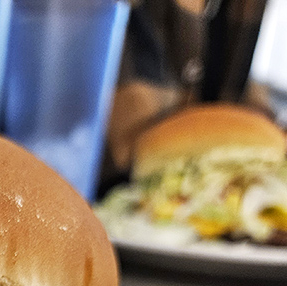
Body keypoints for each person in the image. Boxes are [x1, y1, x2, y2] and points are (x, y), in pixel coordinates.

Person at [102, 0, 271, 188]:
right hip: (109, 192)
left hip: (211, 192)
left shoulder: (249, 8)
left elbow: (243, 91)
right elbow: (129, 154)